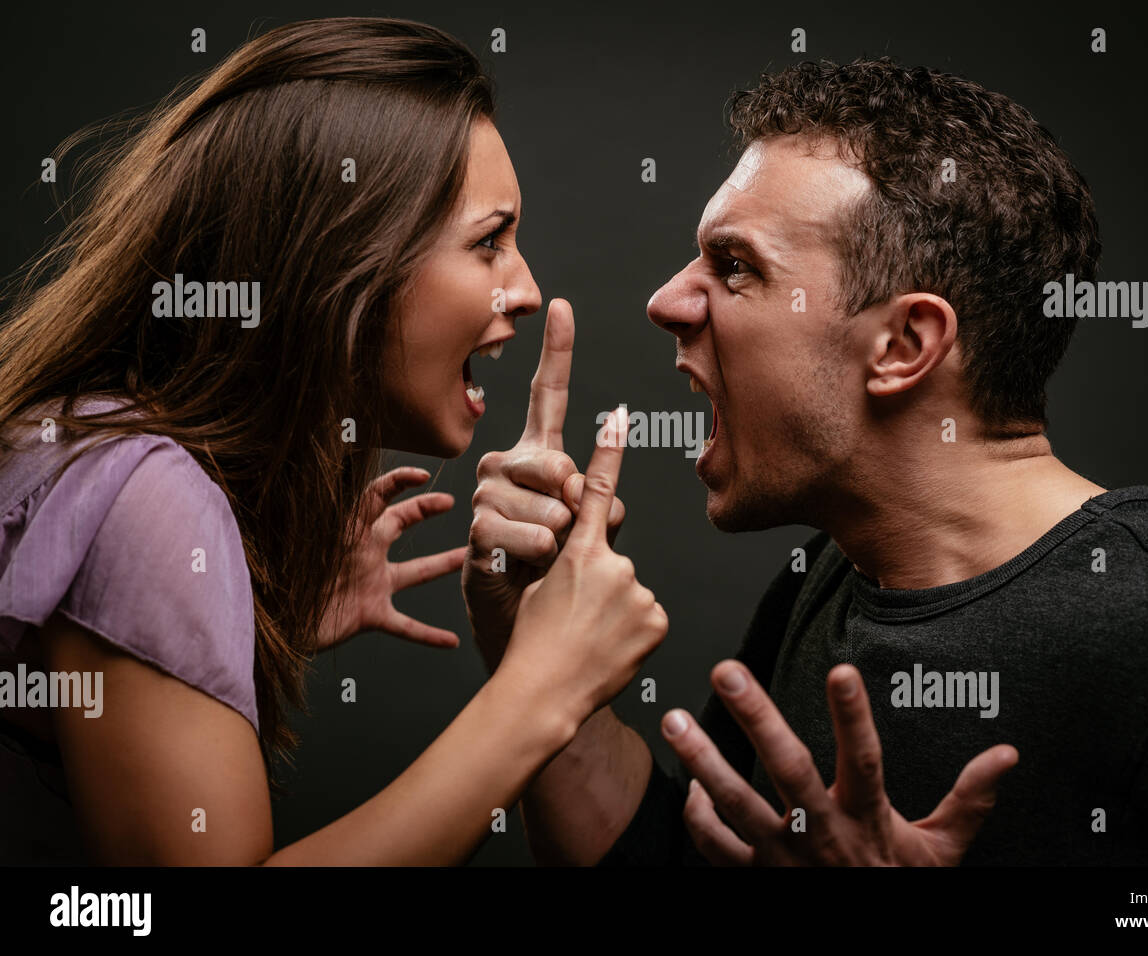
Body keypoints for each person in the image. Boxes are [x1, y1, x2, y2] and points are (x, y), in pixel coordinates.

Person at [461, 58, 1148, 865]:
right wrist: (529, 646)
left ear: (903, 345)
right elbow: (671, 858)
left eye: (735, 266)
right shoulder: (835, 570)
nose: (667, 301)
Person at [0, 17, 666, 865]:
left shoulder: (81, 436)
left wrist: (237, 613)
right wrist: (544, 686)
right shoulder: (139, 491)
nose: (527, 289)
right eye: (489, 242)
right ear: (342, 263)